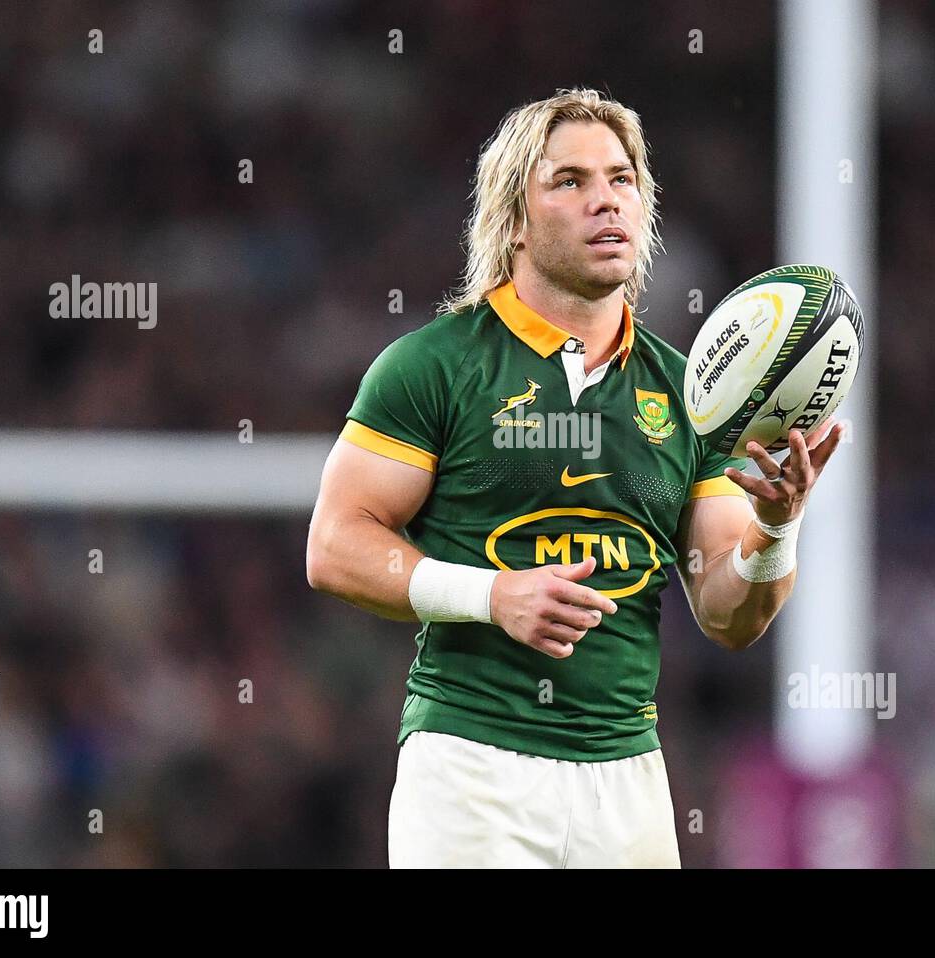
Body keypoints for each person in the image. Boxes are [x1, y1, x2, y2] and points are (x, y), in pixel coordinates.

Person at [306, 87, 843, 868]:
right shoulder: (433, 367)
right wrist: (492, 596)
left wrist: (777, 527)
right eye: (570, 181)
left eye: (622, 180)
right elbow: (334, 547)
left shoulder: (695, 396)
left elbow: (731, 616)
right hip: (471, 767)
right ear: (514, 222)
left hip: (629, 782)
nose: (606, 202)